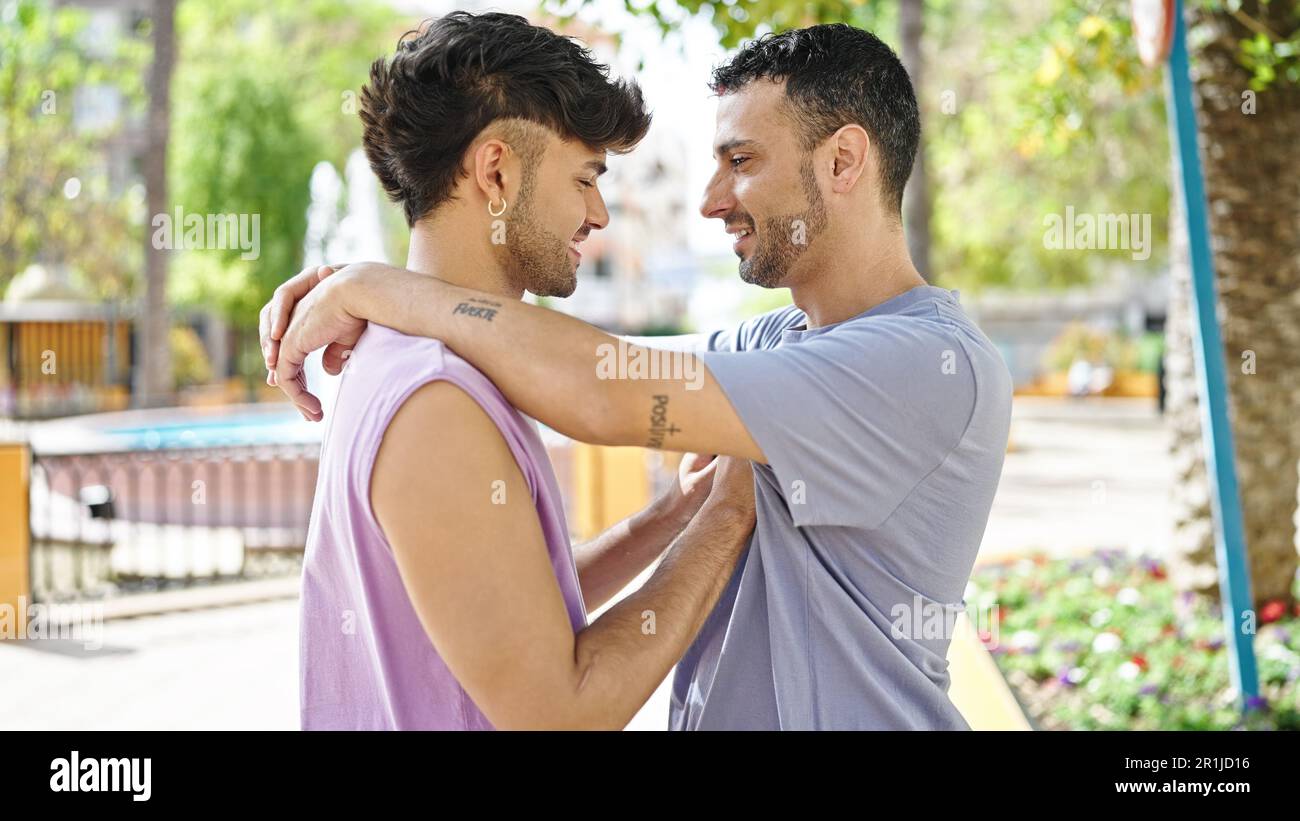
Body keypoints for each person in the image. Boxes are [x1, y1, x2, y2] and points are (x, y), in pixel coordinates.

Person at [266, 23, 1013, 730]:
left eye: (742, 161)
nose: (710, 200)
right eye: (586, 176)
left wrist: (375, 287)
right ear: (494, 171)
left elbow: (601, 386)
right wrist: (686, 516)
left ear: (844, 162)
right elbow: (588, 362)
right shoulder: (770, 342)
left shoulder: (926, 365)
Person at [287, 11, 757, 731]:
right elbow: (560, 710)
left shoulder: (414, 355)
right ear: (497, 171)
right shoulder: (437, 400)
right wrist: (727, 516)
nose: (598, 213)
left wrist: (670, 517)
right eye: (584, 178)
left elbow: (511, 610)